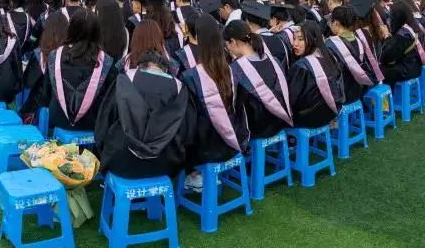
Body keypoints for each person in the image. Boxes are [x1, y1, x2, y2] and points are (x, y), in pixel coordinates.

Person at [94, 41, 191, 179]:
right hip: (165, 165)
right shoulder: (179, 88)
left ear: (139, 66)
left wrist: (103, 152)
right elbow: (186, 131)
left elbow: (104, 122)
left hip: (121, 161)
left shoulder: (124, 81)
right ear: (165, 69)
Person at [181, 14, 250, 190]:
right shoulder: (233, 70)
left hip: (205, 150)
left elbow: (188, 124)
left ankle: (194, 175)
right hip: (234, 141)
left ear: (197, 40)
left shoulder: (191, 77)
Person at [44, 12, 113, 132]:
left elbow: (46, 92)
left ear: (71, 29)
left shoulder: (55, 57)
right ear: (97, 33)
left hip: (58, 124)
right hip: (93, 127)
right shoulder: (106, 62)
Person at [224, 20, 292, 139]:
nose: (228, 49)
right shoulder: (273, 60)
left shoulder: (236, 69)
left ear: (234, 42)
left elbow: (234, 106)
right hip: (280, 122)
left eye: (227, 45)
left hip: (256, 128)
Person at [287, 20, 344, 128]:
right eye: (294, 38)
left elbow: (291, 98)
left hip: (310, 117)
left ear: (313, 40)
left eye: (301, 39)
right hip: (330, 112)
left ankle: (291, 141)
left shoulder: (302, 66)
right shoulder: (328, 55)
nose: (295, 44)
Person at [324, 5, 378, 103]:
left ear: (336, 23)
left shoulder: (330, 45)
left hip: (342, 95)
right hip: (358, 90)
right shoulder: (358, 40)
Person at [379, 0, 425, 86]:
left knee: (377, 71)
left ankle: (388, 98)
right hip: (415, 66)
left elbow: (386, 57)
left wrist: (386, 37)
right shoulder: (413, 25)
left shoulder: (403, 35)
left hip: (406, 70)